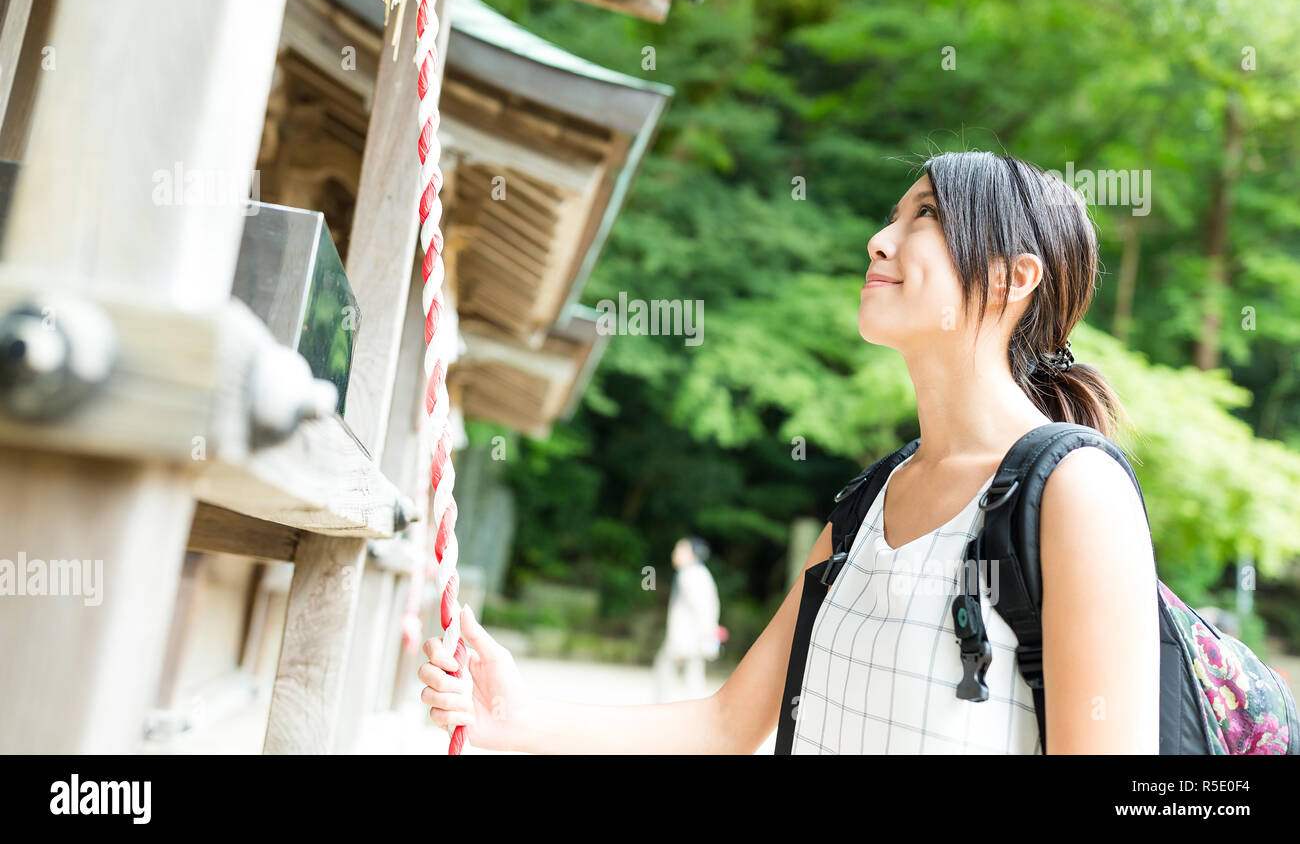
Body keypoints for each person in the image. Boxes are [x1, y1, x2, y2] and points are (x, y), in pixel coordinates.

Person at [417, 149, 1161, 754]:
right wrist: (519, 718)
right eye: (892, 215)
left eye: (926, 214)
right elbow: (726, 726)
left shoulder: (1075, 491)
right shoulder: (867, 505)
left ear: (1013, 276)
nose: (879, 240)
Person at [652, 537, 721, 702]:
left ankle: (660, 708)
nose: (674, 554)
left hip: (687, 637)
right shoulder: (696, 573)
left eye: (680, 550)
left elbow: (702, 608)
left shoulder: (691, 575)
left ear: (692, 554)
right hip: (690, 637)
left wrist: (707, 634)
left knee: (675, 674)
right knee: (691, 677)